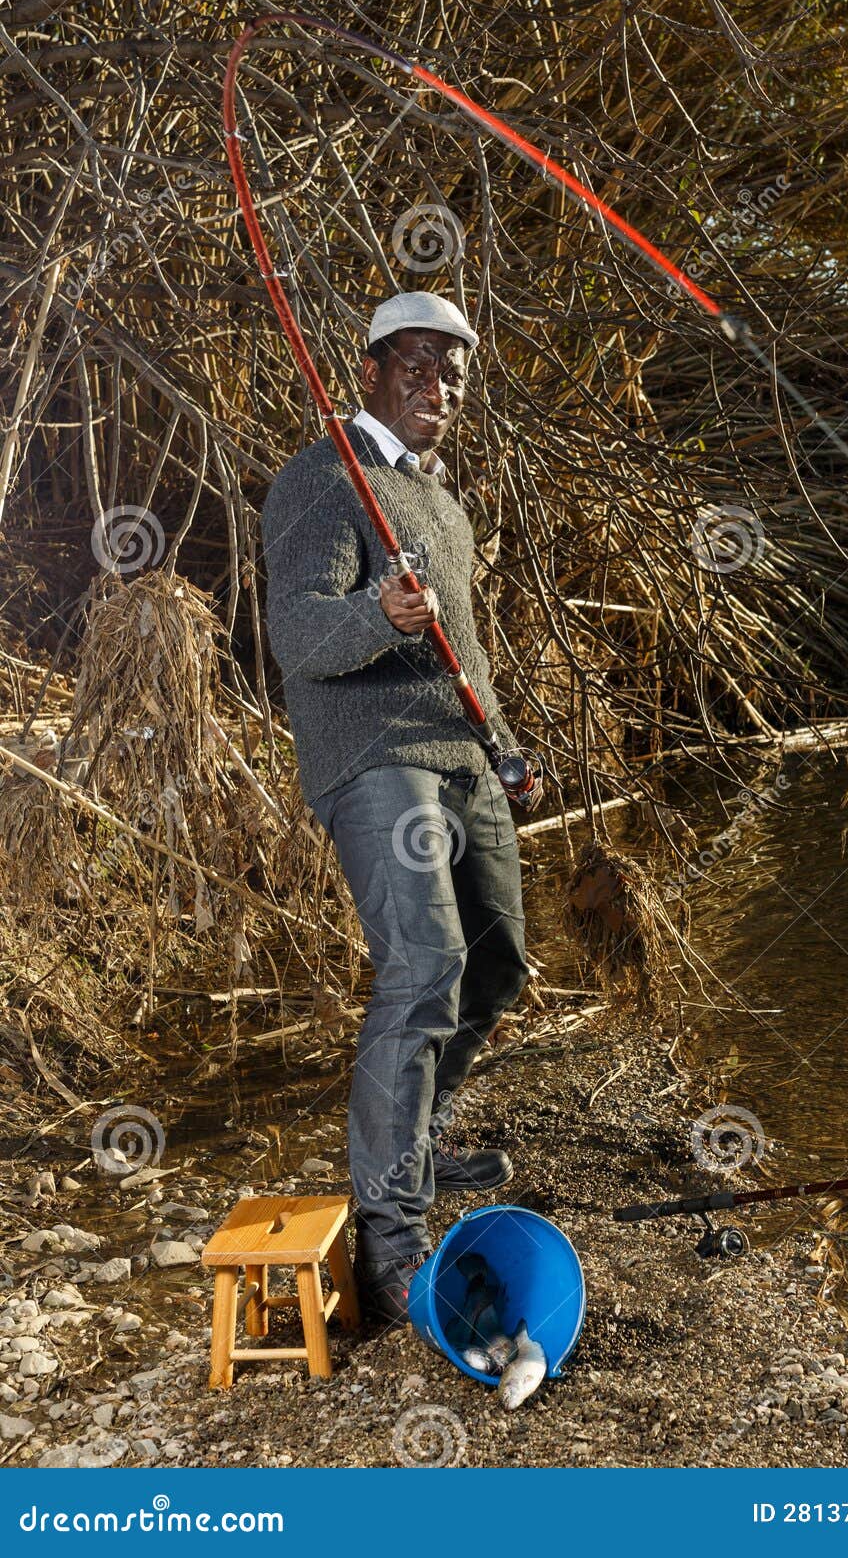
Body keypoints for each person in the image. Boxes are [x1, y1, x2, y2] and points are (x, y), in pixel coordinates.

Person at [261, 290, 541, 1330]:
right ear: (371, 368)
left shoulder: (441, 504)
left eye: (455, 371)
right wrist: (376, 612)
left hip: (463, 755)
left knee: (498, 958)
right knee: (423, 966)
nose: (438, 386)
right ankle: (392, 1243)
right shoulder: (323, 480)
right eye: (416, 365)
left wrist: (506, 752)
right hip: (373, 755)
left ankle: (421, 1132)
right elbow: (297, 636)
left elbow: (464, 648)